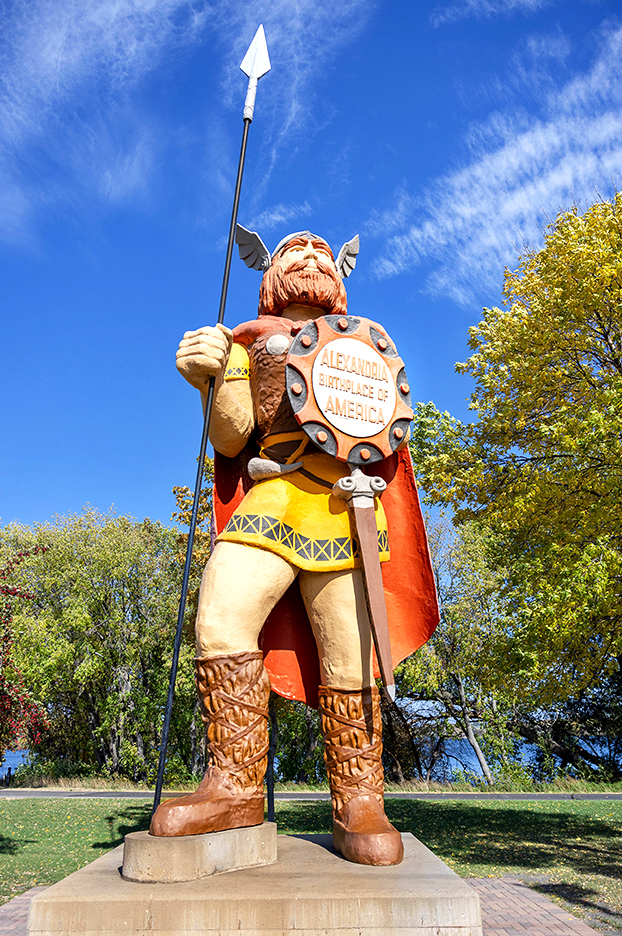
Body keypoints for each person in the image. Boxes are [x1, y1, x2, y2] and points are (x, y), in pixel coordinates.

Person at [150, 230, 438, 866]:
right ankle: (234, 786)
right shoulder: (249, 342)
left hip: (346, 503)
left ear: (340, 275)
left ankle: (359, 799)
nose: (308, 258)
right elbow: (232, 441)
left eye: (320, 254)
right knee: (220, 618)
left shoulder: (364, 344)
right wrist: (215, 371)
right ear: (268, 273)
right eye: (292, 253)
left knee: (350, 655)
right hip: (272, 496)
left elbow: (382, 428)